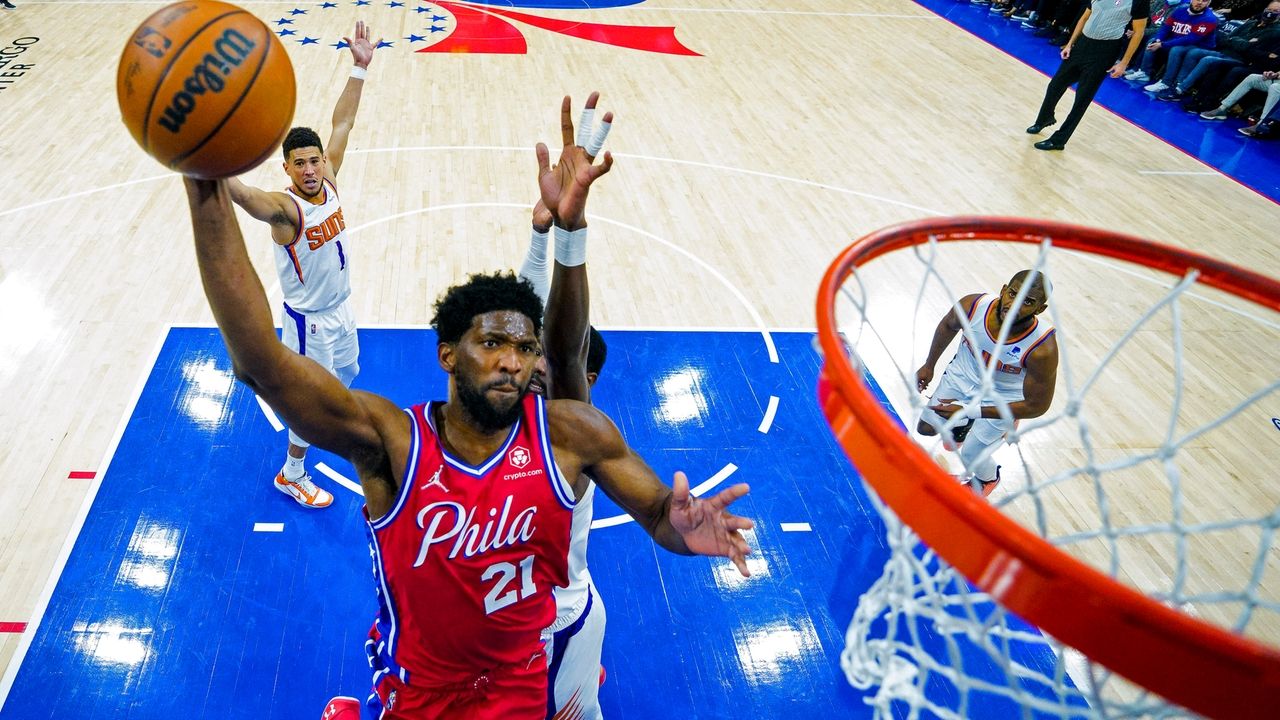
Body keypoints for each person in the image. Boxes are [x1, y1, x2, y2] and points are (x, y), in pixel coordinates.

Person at [179, 87, 755, 720]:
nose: (512, 359)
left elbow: (648, 500)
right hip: (419, 695)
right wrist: (204, 182)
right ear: (448, 354)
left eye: (524, 348)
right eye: (491, 343)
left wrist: (680, 527)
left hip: (518, 691)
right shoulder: (392, 443)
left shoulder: (571, 434)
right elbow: (261, 361)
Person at [224, 21, 380, 509]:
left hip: (341, 310)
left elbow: (342, 125)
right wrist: (210, 166)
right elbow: (250, 199)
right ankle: (292, 473)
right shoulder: (286, 209)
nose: (311, 169)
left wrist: (358, 67)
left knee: (349, 375)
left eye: (315, 161)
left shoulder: (330, 178)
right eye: (301, 164)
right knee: (312, 403)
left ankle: (335, 428)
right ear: (287, 168)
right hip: (308, 323)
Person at [522, 94, 613, 720]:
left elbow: (559, 346)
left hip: (553, 628)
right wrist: (541, 229)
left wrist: (572, 233)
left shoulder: (571, 433)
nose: (527, 365)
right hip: (506, 621)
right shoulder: (499, 410)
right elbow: (529, 325)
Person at [914, 271, 1059, 497]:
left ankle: (989, 479)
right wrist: (929, 365)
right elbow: (947, 326)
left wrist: (971, 410)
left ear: (1039, 310)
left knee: (971, 454)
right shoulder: (973, 306)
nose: (1015, 304)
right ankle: (963, 426)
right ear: (1003, 290)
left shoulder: (1043, 349)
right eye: (1013, 294)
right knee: (925, 428)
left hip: (1004, 396)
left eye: (1028, 302)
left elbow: (1037, 406)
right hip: (964, 374)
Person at [1026, 0, 1151, 150]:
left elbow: (1138, 32)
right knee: (1056, 84)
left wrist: (1124, 63)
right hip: (1082, 44)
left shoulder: (1139, 2)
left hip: (1105, 51)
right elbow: (1085, 17)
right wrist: (1070, 43)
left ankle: (1059, 140)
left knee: (1082, 98)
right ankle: (1045, 118)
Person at [1125, 0, 1219, 83]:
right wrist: (1159, 39)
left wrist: (1162, 44)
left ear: (1208, 3)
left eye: (1204, 1)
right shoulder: (1180, 10)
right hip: (1178, 40)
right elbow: (1166, 27)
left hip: (1198, 46)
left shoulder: (1209, 19)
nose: (1200, 2)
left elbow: (1191, 39)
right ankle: (1144, 73)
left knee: (1176, 49)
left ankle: (1166, 82)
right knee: (1153, 41)